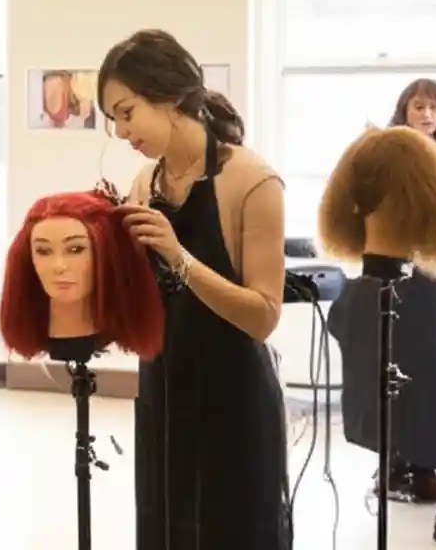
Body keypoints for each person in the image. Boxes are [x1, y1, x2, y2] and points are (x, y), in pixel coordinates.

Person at [98, 29, 291, 549]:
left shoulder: (252, 181)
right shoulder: (146, 184)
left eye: (126, 111)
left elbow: (263, 316)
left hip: (234, 399)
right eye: (113, 118)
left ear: (168, 95)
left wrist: (179, 257)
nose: (120, 131)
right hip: (162, 391)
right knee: (167, 530)